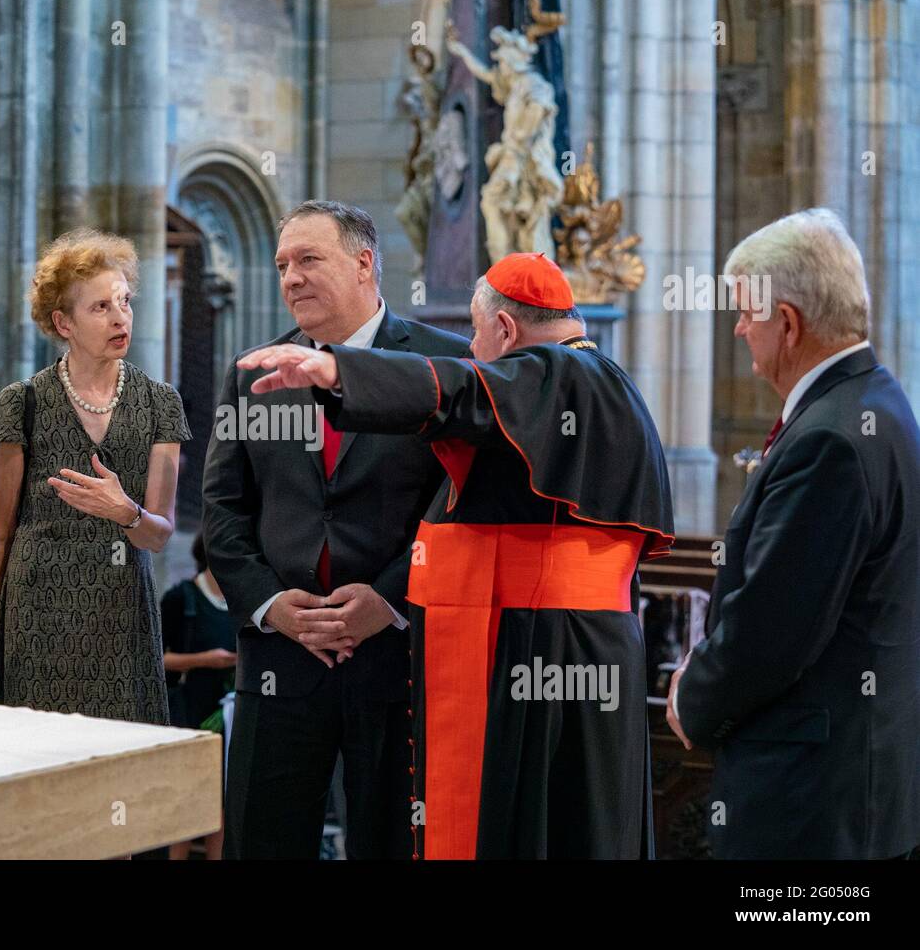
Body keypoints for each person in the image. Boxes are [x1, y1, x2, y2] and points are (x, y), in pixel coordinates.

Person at [238, 251, 675, 859]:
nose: (471, 346)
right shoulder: (588, 382)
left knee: (540, 826)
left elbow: (464, 388)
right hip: (560, 646)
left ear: (505, 329)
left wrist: (338, 373)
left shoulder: (563, 374)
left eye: (475, 330)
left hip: (544, 652)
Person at [203, 200, 471, 859]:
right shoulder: (255, 372)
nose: (291, 277)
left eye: (308, 259)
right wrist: (271, 605)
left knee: (392, 841)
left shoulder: (442, 363)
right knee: (262, 839)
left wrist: (389, 600)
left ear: (363, 263)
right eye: (282, 264)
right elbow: (223, 506)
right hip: (280, 659)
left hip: (397, 655)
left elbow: (459, 500)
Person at [667, 209, 920, 859]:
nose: (738, 328)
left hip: (810, 804)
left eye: (747, 313)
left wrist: (692, 698)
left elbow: (773, 633)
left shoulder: (831, 439)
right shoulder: (878, 402)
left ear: (788, 322)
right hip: (854, 788)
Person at [0, 228, 190, 724]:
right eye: (100, 307)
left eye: (124, 302)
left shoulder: (160, 403)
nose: (121, 317)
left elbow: (159, 535)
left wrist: (126, 512)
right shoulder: (22, 402)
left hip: (121, 619)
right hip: (36, 618)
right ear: (64, 322)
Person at [160, 533, 238, 859]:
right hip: (190, 713)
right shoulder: (182, 598)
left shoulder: (243, 600)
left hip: (232, 715)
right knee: (187, 802)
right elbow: (157, 659)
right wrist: (205, 660)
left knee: (223, 805)